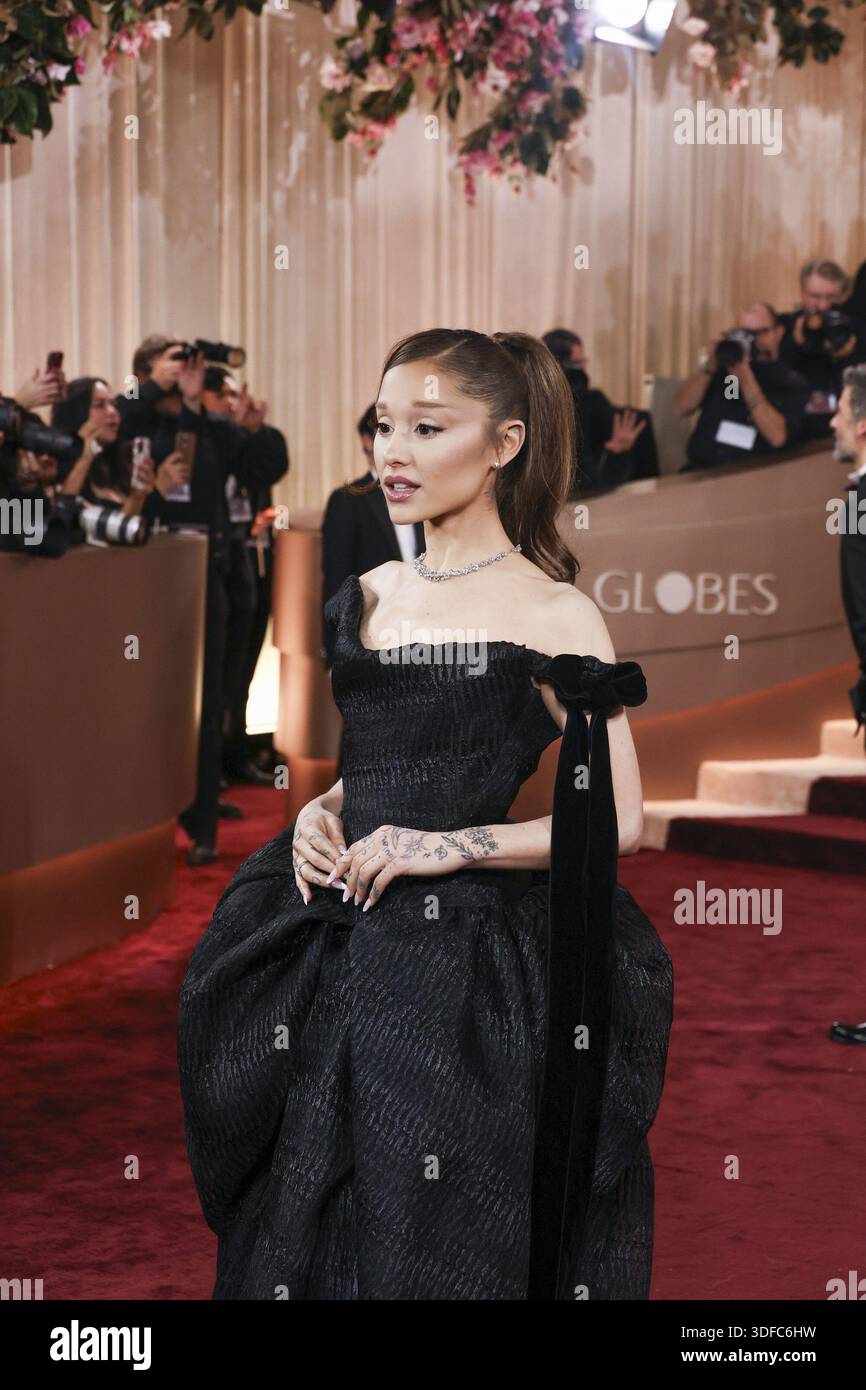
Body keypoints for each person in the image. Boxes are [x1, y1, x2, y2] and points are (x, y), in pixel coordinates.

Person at [177, 328, 674, 1301]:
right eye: (382, 426)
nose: (390, 452)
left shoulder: (552, 612)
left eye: (426, 427)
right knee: (306, 1219)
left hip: (464, 973)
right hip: (330, 927)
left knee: (432, 1232)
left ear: (502, 444)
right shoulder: (366, 595)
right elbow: (378, 762)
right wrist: (325, 807)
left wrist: (446, 846)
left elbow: (615, 821)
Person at [321, 403, 424, 671]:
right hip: (370, 637)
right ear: (368, 441)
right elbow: (337, 578)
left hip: (424, 632)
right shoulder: (347, 499)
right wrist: (336, 653)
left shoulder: (426, 493)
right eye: (384, 430)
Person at [676, 302, 811, 472]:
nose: (754, 340)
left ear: (779, 332)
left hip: (750, 478)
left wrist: (746, 379)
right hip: (701, 470)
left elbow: (777, 437)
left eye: (761, 332)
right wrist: (710, 366)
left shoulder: (789, 382)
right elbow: (681, 407)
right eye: (745, 333)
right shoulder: (727, 374)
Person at [542, 327, 659, 491]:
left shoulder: (592, 401)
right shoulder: (551, 406)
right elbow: (585, 480)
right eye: (576, 363)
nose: (582, 369)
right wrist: (615, 453)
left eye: (582, 362)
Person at [778, 258, 866, 438]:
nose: (823, 305)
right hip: (794, 434)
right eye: (816, 297)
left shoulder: (854, 330)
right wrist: (796, 345)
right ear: (803, 293)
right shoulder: (784, 327)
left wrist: (846, 356)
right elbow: (770, 378)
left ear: (843, 295)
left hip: (844, 432)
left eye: (831, 297)